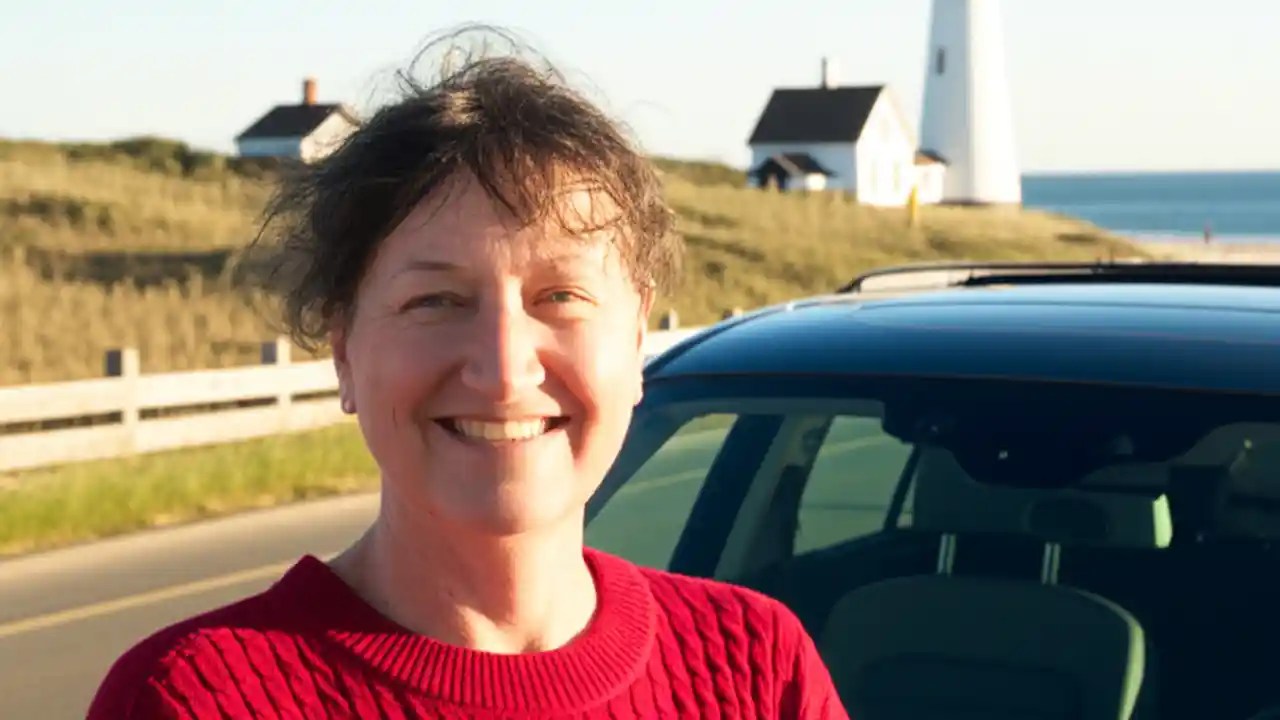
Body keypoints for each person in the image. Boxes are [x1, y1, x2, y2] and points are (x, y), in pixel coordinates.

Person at [87, 28, 848, 720]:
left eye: (561, 296)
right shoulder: (195, 699)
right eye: (437, 300)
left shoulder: (755, 670)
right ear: (344, 348)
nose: (503, 369)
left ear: (637, 334)